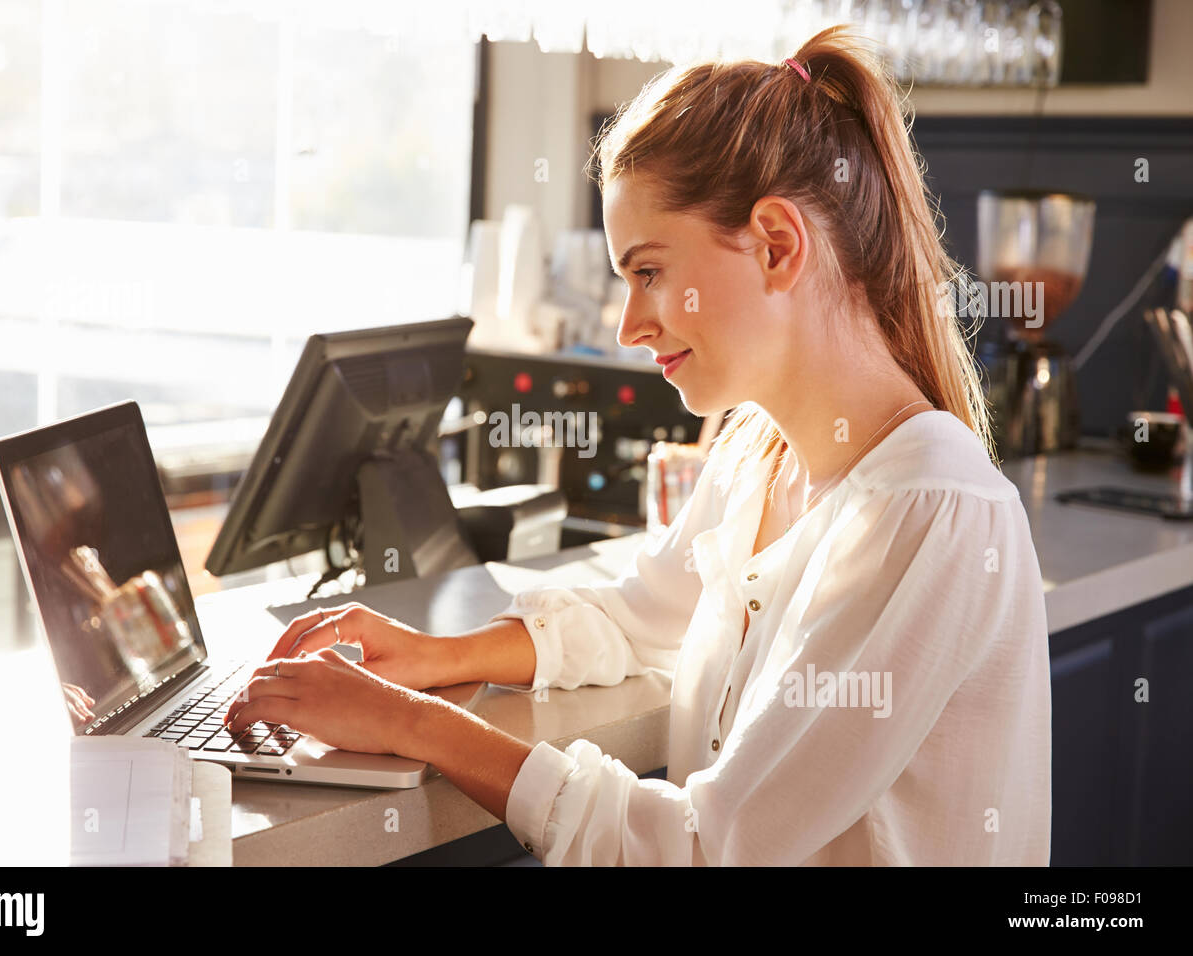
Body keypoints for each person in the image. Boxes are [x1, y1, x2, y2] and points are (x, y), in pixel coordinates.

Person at [226, 25, 1051, 866]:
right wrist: (441, 658)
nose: (628, 326)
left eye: (648, 272)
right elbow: (638, 618)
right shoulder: (756, 456)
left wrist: (414, 725)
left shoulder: (928, 513)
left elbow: (705, 847)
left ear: (776, 245)